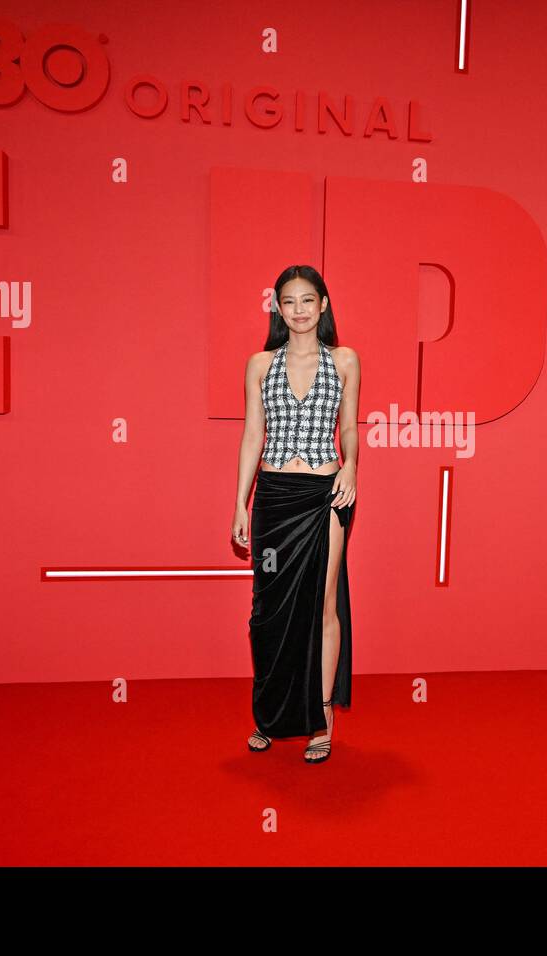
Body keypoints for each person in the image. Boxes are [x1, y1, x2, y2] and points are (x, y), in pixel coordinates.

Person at [232, 265, 360, 764]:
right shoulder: (260, 364)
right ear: (278, 308)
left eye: (309, 300)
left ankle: (319, 717)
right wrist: (239, 502)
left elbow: (348, 427)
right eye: (290, 302)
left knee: (322, 606)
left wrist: (352, 468)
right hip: (273, 498)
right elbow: (251, 437)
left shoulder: (345, 360)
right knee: (267, 610)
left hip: (325, 495)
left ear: (323, 305)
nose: (300, 310)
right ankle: (269, 714)